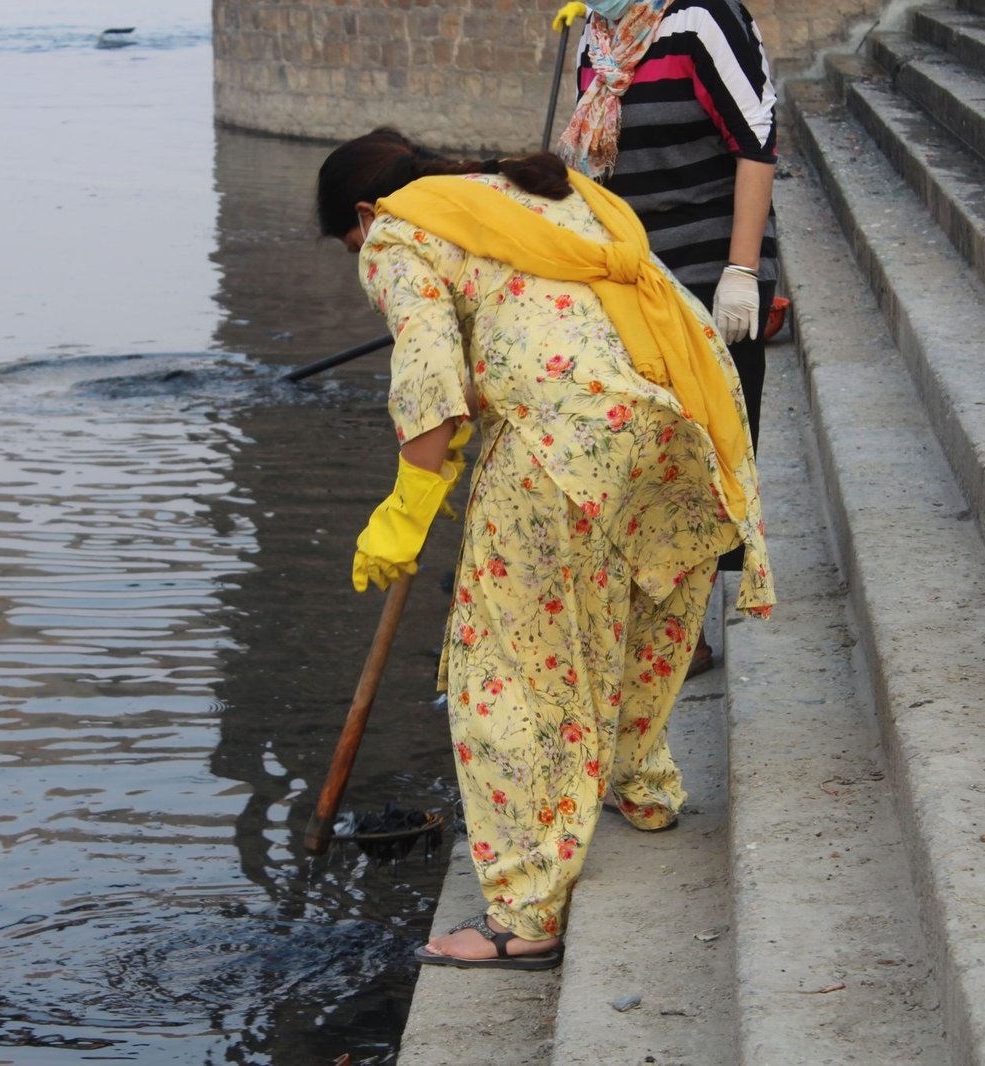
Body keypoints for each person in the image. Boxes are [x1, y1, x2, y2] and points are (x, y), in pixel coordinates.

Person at [316, 128, 773, 968]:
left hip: (561, 436)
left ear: (361, 212)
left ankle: (523, 918)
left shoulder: (397, 229)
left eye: (351, 245)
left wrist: (406, 510)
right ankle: (639, 784)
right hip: (680, 410)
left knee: (509, 666)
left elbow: (432, 390)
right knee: (649, 604)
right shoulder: (535, 189)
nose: (361, 262)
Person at [555, 0, 780, 675]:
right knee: (646, 461)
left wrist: (741, 270)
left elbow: (757, 137)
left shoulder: (700, 20)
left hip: (715, 276)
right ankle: (658, 628)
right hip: (638, 281)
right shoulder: (595, 39)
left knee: (702, 462)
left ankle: (683, 638)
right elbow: (598, 172)